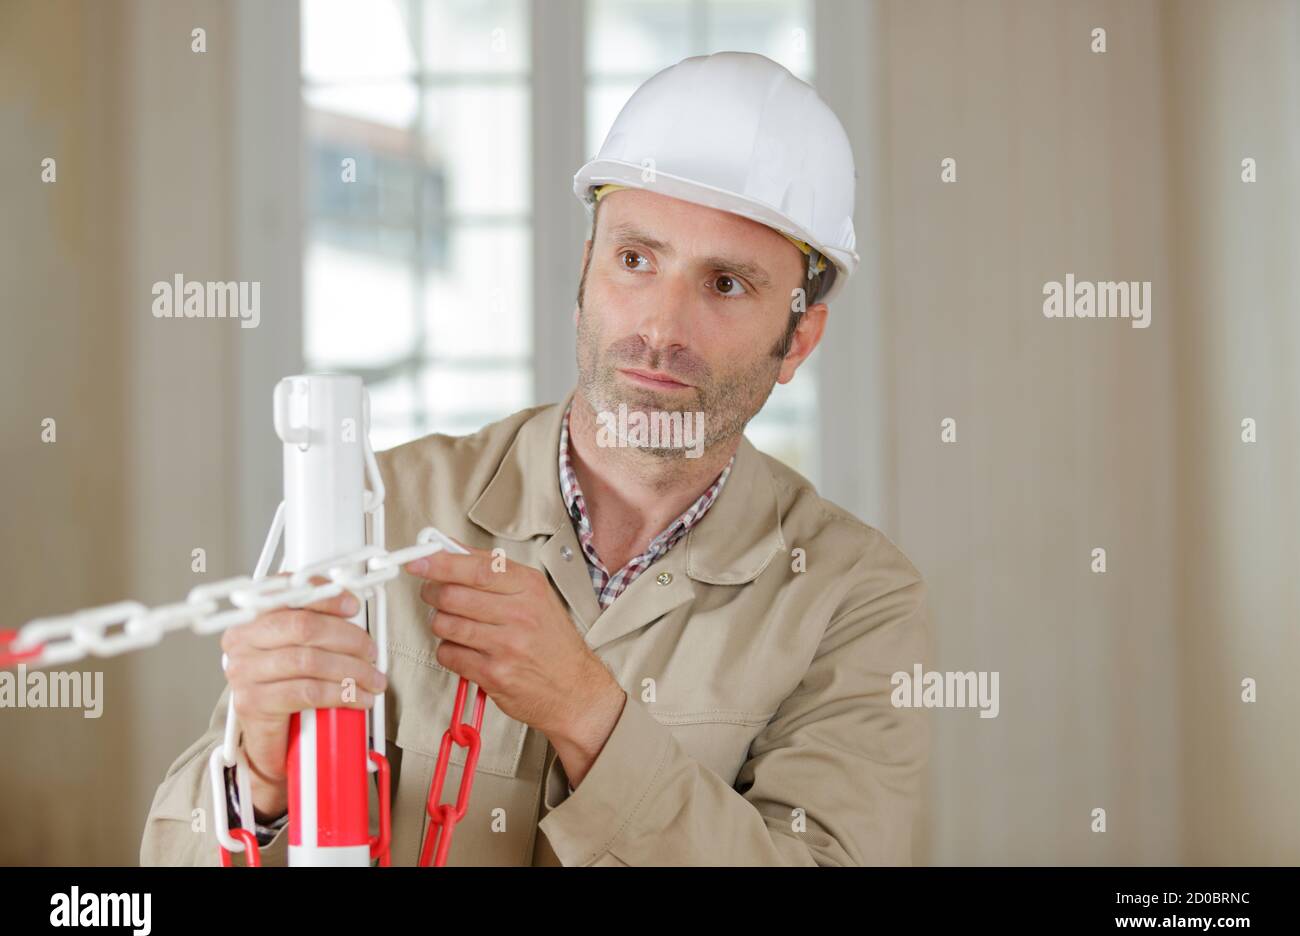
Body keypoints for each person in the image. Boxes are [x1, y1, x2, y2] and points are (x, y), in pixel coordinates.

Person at [141, 50, 931, 867]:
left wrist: (589, 714)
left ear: (798, 337)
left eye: (725, 284)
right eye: (636, 260)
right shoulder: (383, 508)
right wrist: (262, 777)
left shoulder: (853, 599)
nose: (660, 328)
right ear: (586, 269)